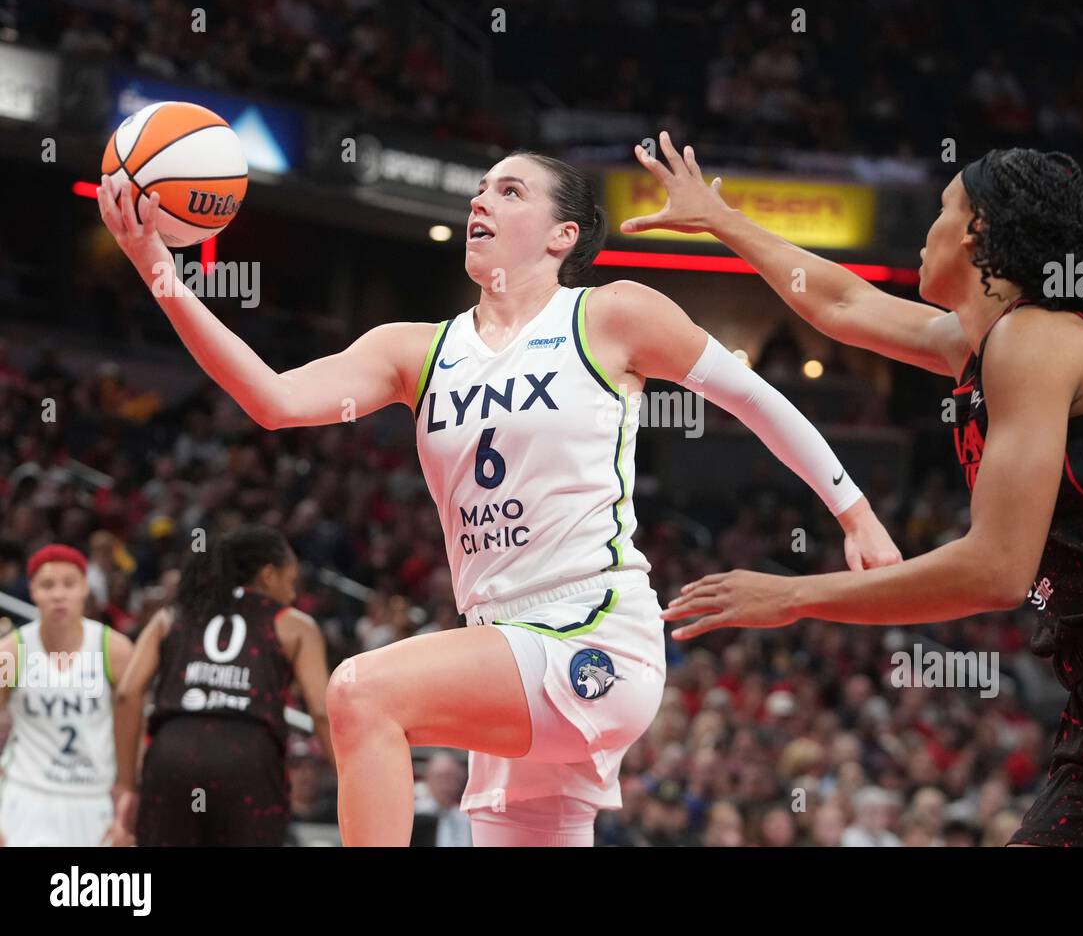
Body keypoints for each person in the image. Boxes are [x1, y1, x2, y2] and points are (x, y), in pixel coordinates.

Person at [97, 151, 900, 847]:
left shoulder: (611, 313)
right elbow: (272, 399)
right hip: (505, 651)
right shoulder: (413, 349)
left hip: (593, 634)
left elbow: (754, 398)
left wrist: (854, 512)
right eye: (480, 189)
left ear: (564, 236)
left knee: (361, 691)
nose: (482, 200)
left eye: (510, 191)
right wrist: (162, 275)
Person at [637, 132, 1083, 847]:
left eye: (942, 208)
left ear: (977, 232)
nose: (927, 230)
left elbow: (995, 570)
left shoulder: (1036, 342)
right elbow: (841, 304)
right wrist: (719, 218)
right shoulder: (986, 344)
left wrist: (793, 596)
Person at [109, 525, 333, 846]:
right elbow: (323, 712)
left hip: (174, 755)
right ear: (268, 575)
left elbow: (127, 694)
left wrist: (128, 784)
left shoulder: (173, 614)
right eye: (290, 580)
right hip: (248, 760)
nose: (293, 593)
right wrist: (349, 779)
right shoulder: (293, 624)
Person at [0, 544, 134, 846]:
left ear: (85, 588)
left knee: (87, 895)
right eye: (47, 585)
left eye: (69, 584)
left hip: (94, 796)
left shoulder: (115, 649)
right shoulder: (11, 651)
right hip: (26, 795)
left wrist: (127, 798)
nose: (58, 594)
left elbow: (133, 732)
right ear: (32, 590)